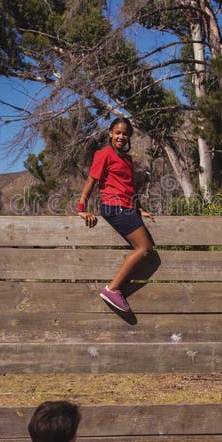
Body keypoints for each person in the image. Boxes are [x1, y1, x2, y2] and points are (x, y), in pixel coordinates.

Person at [77, 117, 157, 312]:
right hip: (114, 206)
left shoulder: (127, 160)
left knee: (146, 250)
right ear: (111, 133)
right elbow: (91, 181)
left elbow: (130, 187)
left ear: (129, 137)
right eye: (118, 132)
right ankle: (112, 289)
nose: (121, 137)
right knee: (145, 248)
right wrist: (81, 208)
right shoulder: (103, 154)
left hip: (127, 207)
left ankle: (115, 289)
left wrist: (139, 208)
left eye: (125, 134)